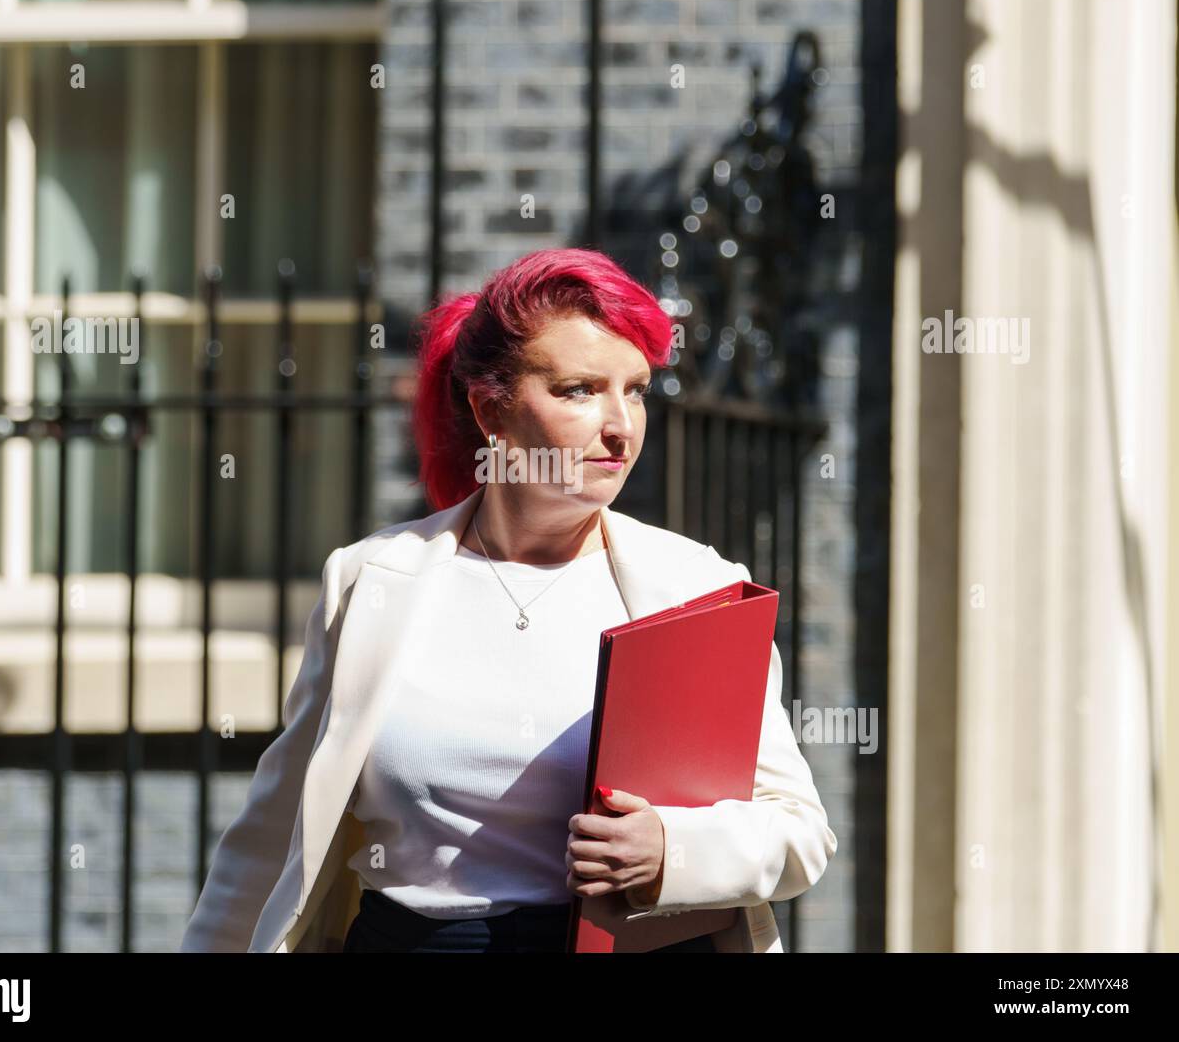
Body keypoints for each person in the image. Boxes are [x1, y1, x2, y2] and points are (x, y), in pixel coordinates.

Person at [180, 248, 836, 953]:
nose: (621, 426)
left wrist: (670, 850)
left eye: (637, 390)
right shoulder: (371, 579)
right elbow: (273, 836)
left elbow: (798, 827)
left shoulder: (695, 586)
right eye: (581, 390)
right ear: (491, 407)